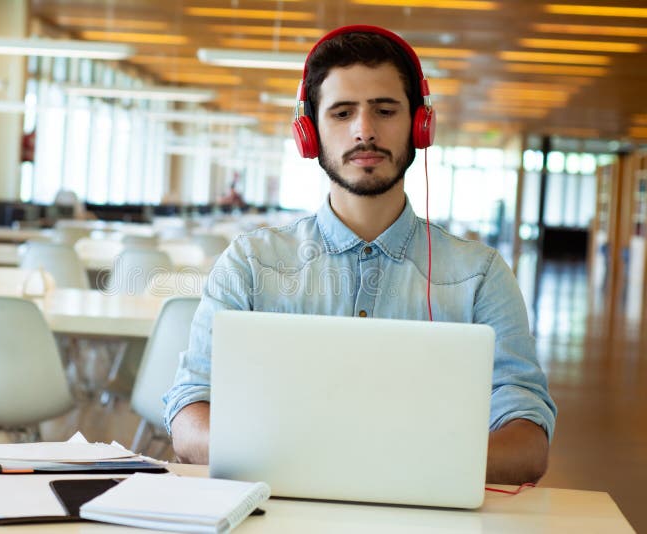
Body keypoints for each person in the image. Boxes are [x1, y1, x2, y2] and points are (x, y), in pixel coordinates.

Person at [163, 25, 556, 485]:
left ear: (419, 124)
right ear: (309, 133)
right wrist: (339, 460)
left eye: (385, 110)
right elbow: (190, 415)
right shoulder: (250, 263)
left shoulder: (480, 276)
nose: (364, 131)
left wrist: (370, 465)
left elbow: (529, 444)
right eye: (342, 112)